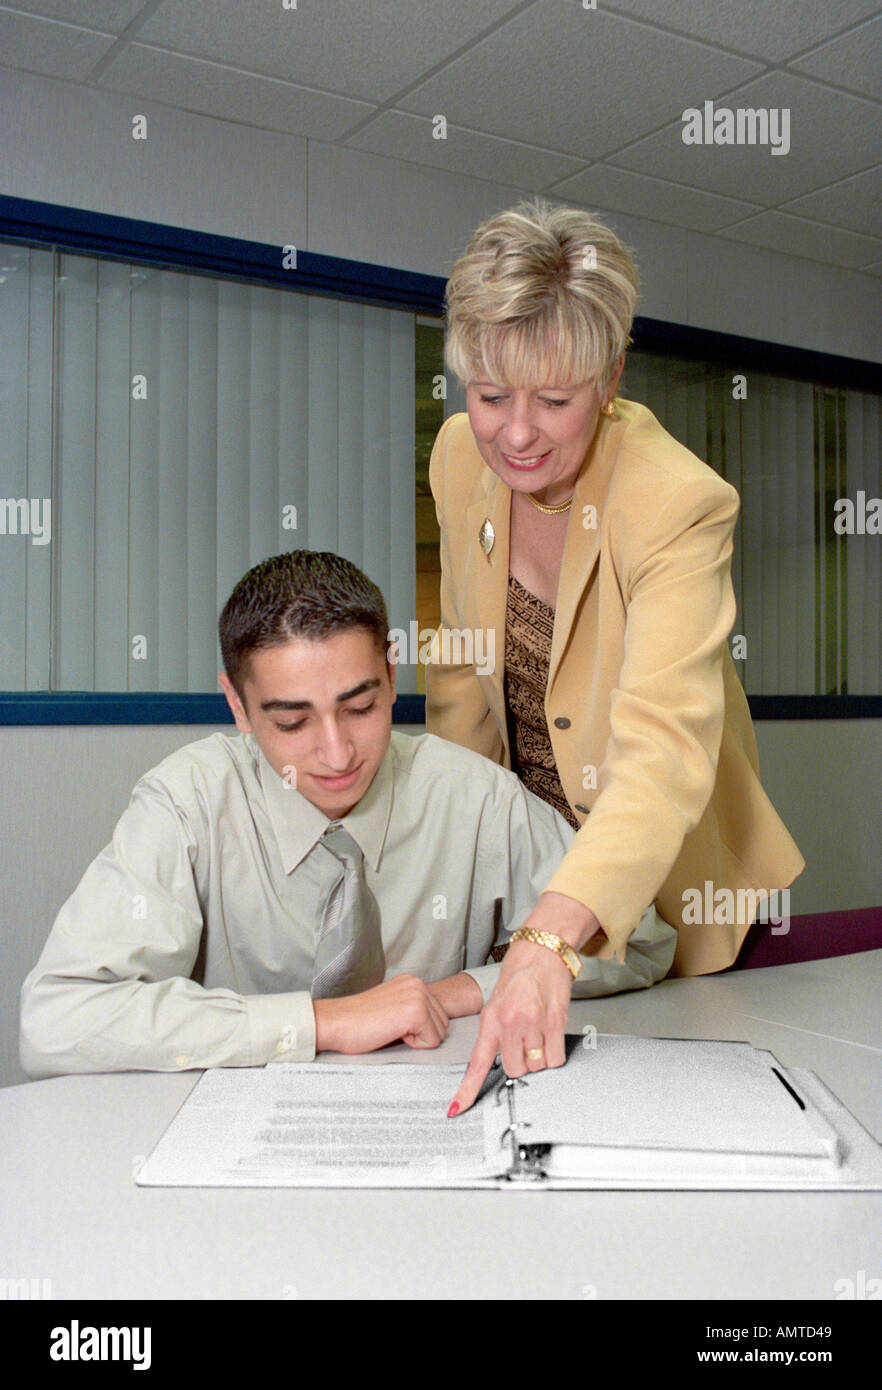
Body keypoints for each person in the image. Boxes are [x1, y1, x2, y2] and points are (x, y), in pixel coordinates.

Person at [19, 549, 674, 1086]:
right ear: (238, 706)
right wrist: (323, 1023)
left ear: (390, 676)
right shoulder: (188, 801)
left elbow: (642, 941)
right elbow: (56, 1017)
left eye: (360, 707)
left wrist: (456, 993)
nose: (337, 754)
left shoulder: (471, 795)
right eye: (292, 720)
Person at [426, 198, 805, 1116]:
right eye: (489, 396)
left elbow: (666, 754)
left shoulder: (676, 502)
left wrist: (552, 937)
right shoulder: (453, 457)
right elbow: (460, 690)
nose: (516, 434)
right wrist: (452, 887)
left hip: (668, 893)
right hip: (530, 874)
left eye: (554, 400)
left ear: (610, 378)